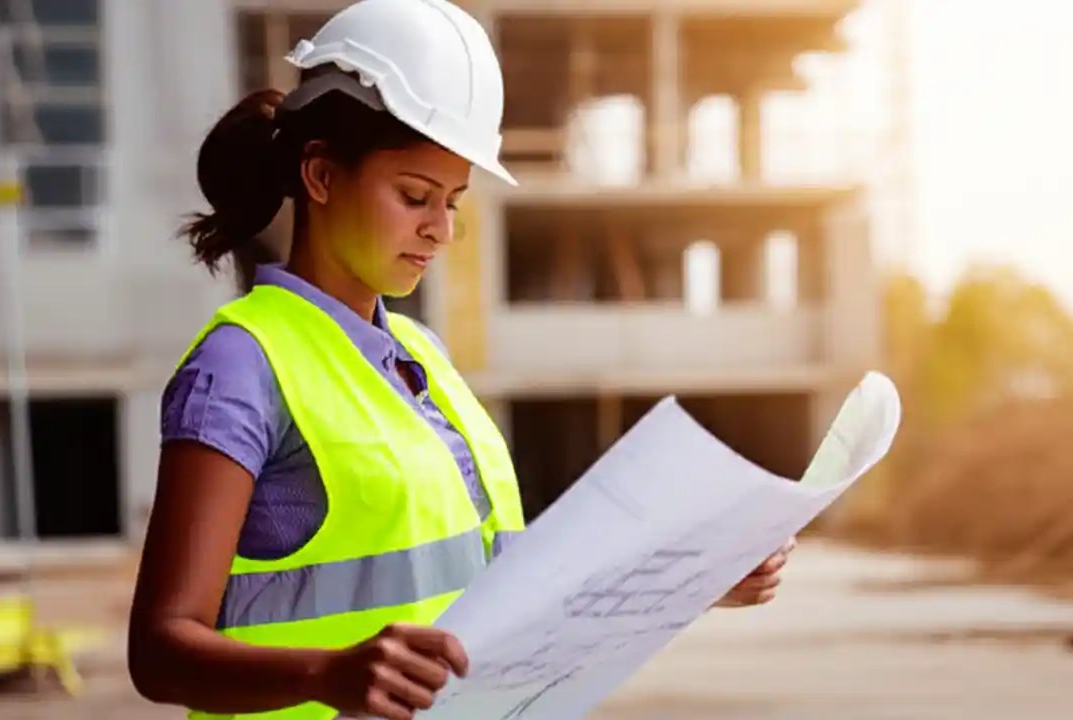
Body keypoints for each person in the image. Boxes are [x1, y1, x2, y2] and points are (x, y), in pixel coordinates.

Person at [126, 1, 794, 719]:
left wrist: (688, 577)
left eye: (453, 201)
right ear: (320, 176)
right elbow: (161, 649)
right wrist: (327, 674)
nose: (441, 230)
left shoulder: (422, 357)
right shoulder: (241, 364)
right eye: (414, 196)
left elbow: (498, 579)